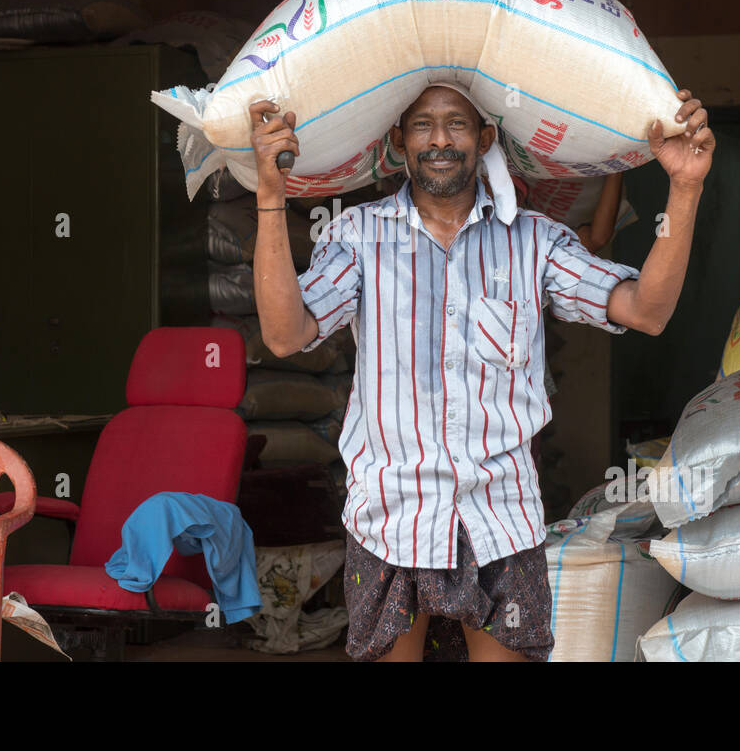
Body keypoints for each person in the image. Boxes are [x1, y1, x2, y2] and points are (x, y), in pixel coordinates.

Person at [250, 81, 714, 662]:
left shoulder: (536, 242)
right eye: (422, 124)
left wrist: (686, 187)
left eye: (457, 124)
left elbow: (646, 311)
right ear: (398, 141)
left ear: (485, 138)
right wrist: (272, 195)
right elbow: (285, 333)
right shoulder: (357, 237)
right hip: (391, 517)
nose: (439, 139)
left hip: (500, 519)